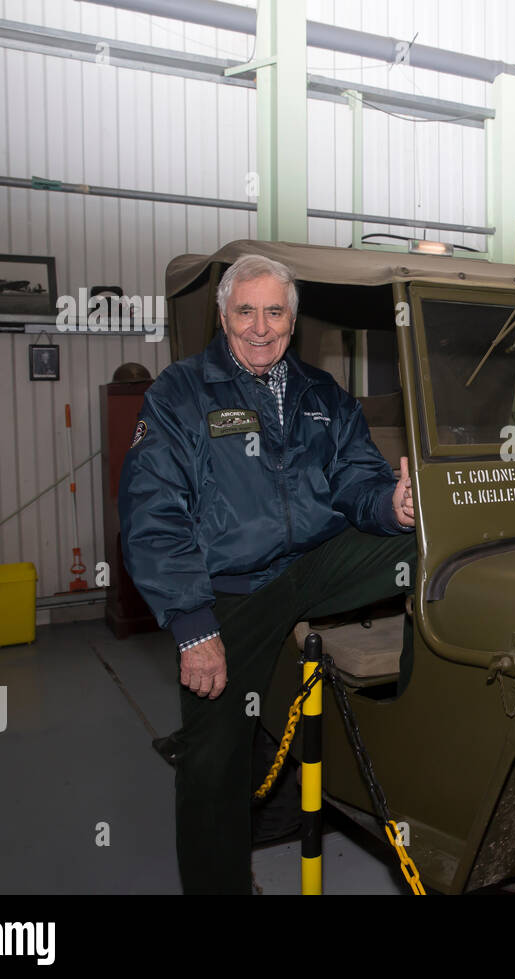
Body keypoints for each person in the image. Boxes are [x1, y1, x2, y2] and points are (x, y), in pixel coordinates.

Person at [119, 253, 416, 894]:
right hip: (232, 588)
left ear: (292, 319)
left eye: (274, 311)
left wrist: (390, 505)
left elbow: (357, 478)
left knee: (431, 549)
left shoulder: (321, 394)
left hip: (315, 563)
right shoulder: (181, 393)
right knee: (212, 761)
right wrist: (194, 626)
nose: (260, 327)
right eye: (246, 311)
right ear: (224, 319)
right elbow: (152, 514)